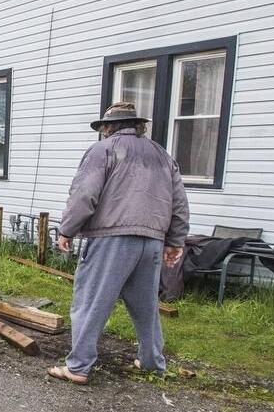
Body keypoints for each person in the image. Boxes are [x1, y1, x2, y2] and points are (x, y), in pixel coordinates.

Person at [49, 102, 190, 385]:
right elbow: (179, 202)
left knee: (91, 301)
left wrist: (67, 230)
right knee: (146, 306)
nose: (102, 132)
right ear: (138, 126)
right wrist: (175, 241)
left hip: (110, 237)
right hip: (151, 241)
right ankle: (152, 363)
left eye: (103, 127)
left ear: (109, 127)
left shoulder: (103, 150)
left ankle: (78, 367)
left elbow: (84, 194)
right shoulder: (162, 155)